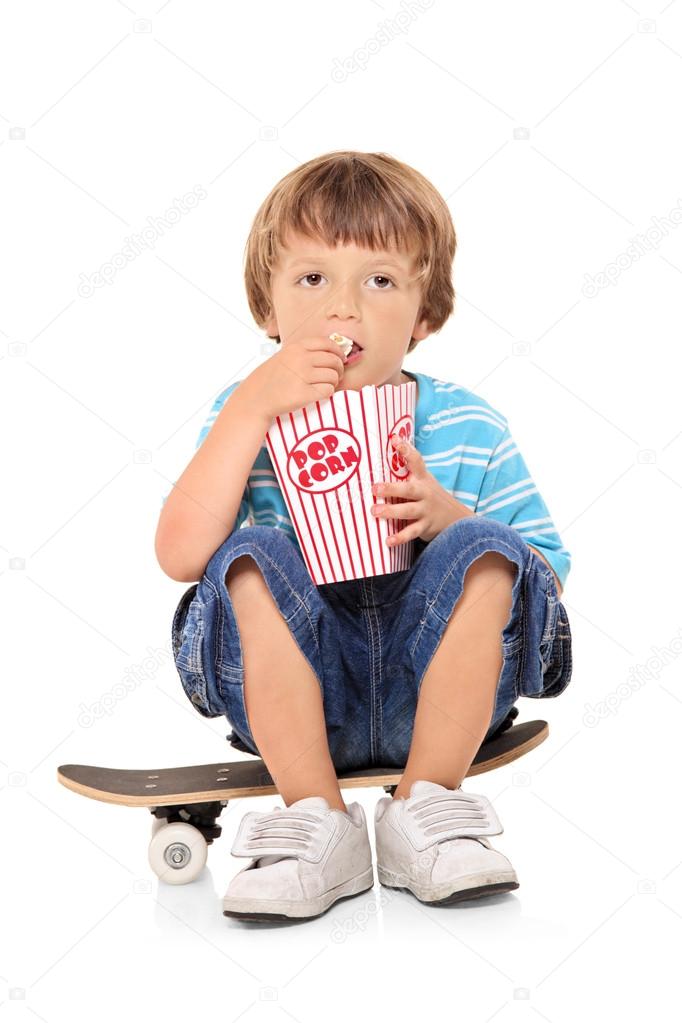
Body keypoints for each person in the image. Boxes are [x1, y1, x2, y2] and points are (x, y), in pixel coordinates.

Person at [156, 150, 573, 921]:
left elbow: (545, 575)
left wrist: (453, 519)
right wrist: (251, 411)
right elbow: (180, 554)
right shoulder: (245, 411)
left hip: (439, 701)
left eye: (379, 280)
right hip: (303, 700)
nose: (343, 308)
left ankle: (427, 809)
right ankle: (316, 820)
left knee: (489, 548)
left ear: (424, 316)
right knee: (249, 556)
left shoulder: (469, 424)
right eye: (312, 279)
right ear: (269, 309)